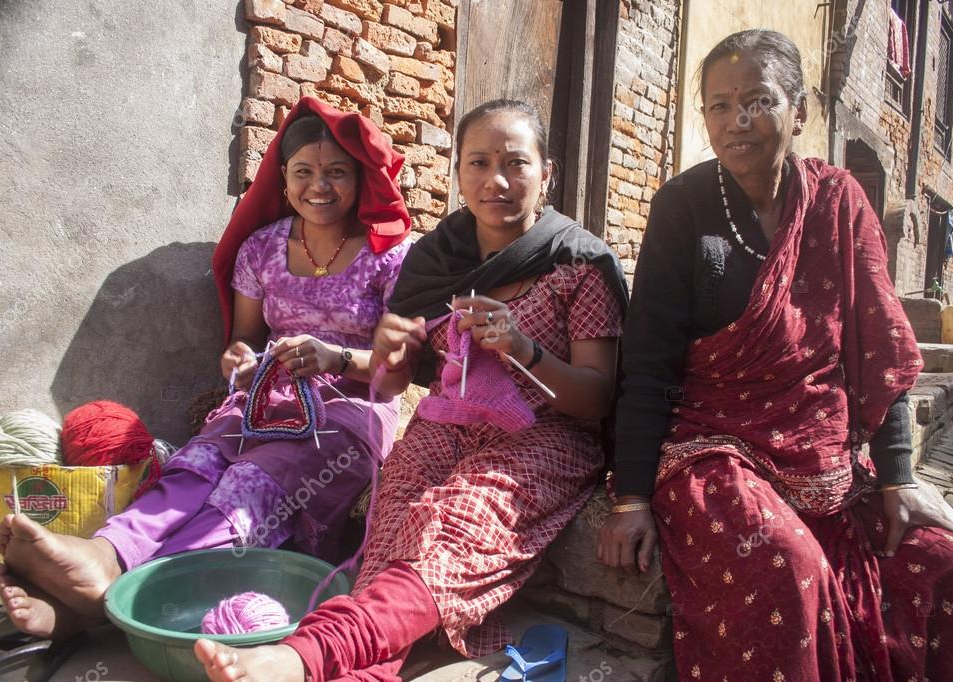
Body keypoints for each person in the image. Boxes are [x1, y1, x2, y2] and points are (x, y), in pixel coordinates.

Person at [597, 29, 953, 681]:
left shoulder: (839, 202)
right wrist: (630, 500)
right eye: (719, 106)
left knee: (943, 561)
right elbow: (646, 364)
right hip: (714, 450)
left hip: (827, 463)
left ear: (800, 110)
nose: (737, 122)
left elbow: (881, 351)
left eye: (758, 101)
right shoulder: (683, 206)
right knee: (792, 570)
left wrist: (897, 477)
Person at [193, 99, 628, 681]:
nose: (495, 180)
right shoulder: (434, 258)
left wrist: (522, 349)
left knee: (454, 525)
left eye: (516, 163)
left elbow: (596, 400)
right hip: (446, 425)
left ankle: (305, 657)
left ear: (546, 173)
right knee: (395, 526)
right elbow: (395, 381)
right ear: (458, 172)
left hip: (545, 439)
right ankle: (365, 671)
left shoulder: (579, 263)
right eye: (478, 162)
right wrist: (394, 356)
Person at [0, 98, 412, 640]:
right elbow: (243, 340)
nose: (319, 186)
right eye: (304, 171)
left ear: (359, 178)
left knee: (249, 484)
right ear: (283, 180)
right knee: (198, 465)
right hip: (264, 399)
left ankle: (113, 599)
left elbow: (399, 367)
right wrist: (236, 360)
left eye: (336, 172)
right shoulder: (261, 249)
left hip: (349, 409)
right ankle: (102, 553)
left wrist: (335, 358)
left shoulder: (391, 254)